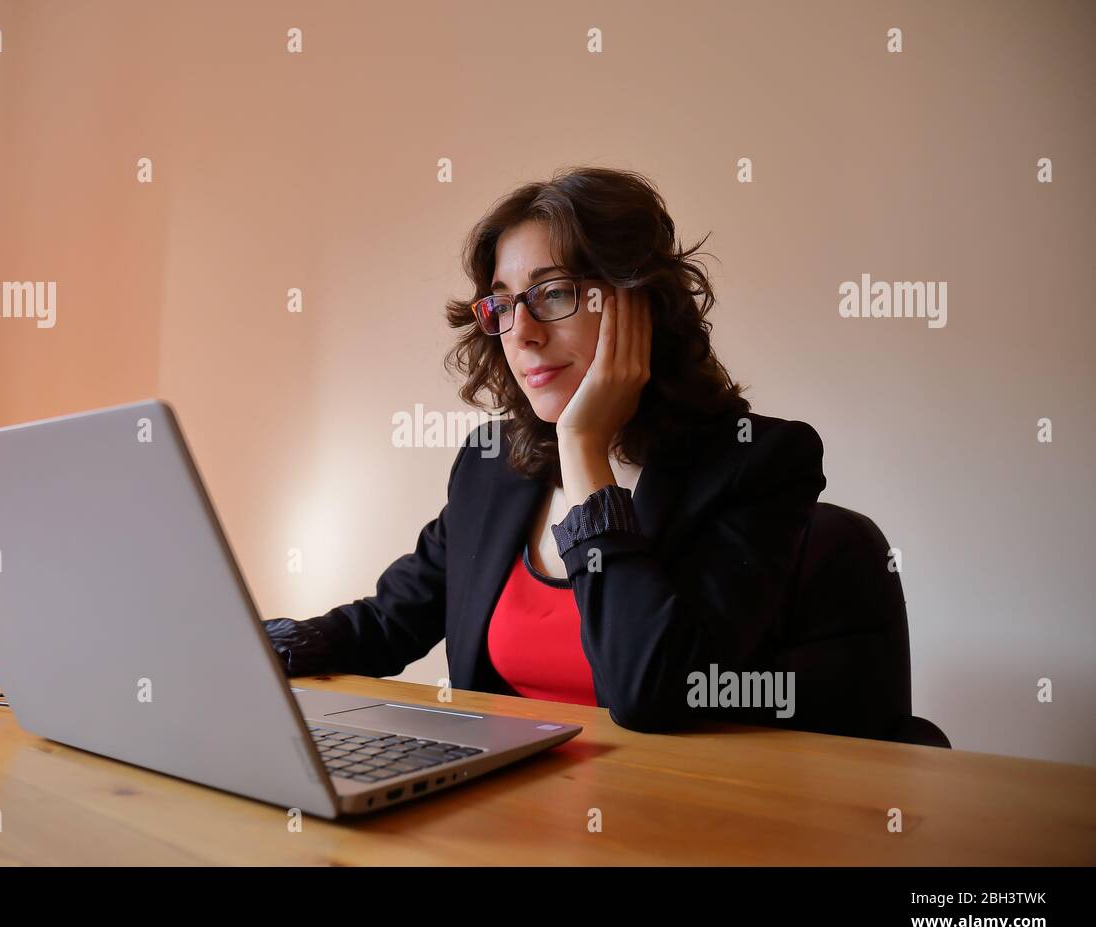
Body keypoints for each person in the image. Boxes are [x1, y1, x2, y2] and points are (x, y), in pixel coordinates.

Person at [264, 166, 826, 733]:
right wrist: (244, 642)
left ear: (640, 303)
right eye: (504, 305)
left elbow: (656, 693)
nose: (522, 333)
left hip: (677, 807)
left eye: (553, 293)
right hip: (500, 800)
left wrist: (583, 446)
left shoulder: (761, 462)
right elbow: (387, 624)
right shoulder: (492, 462)